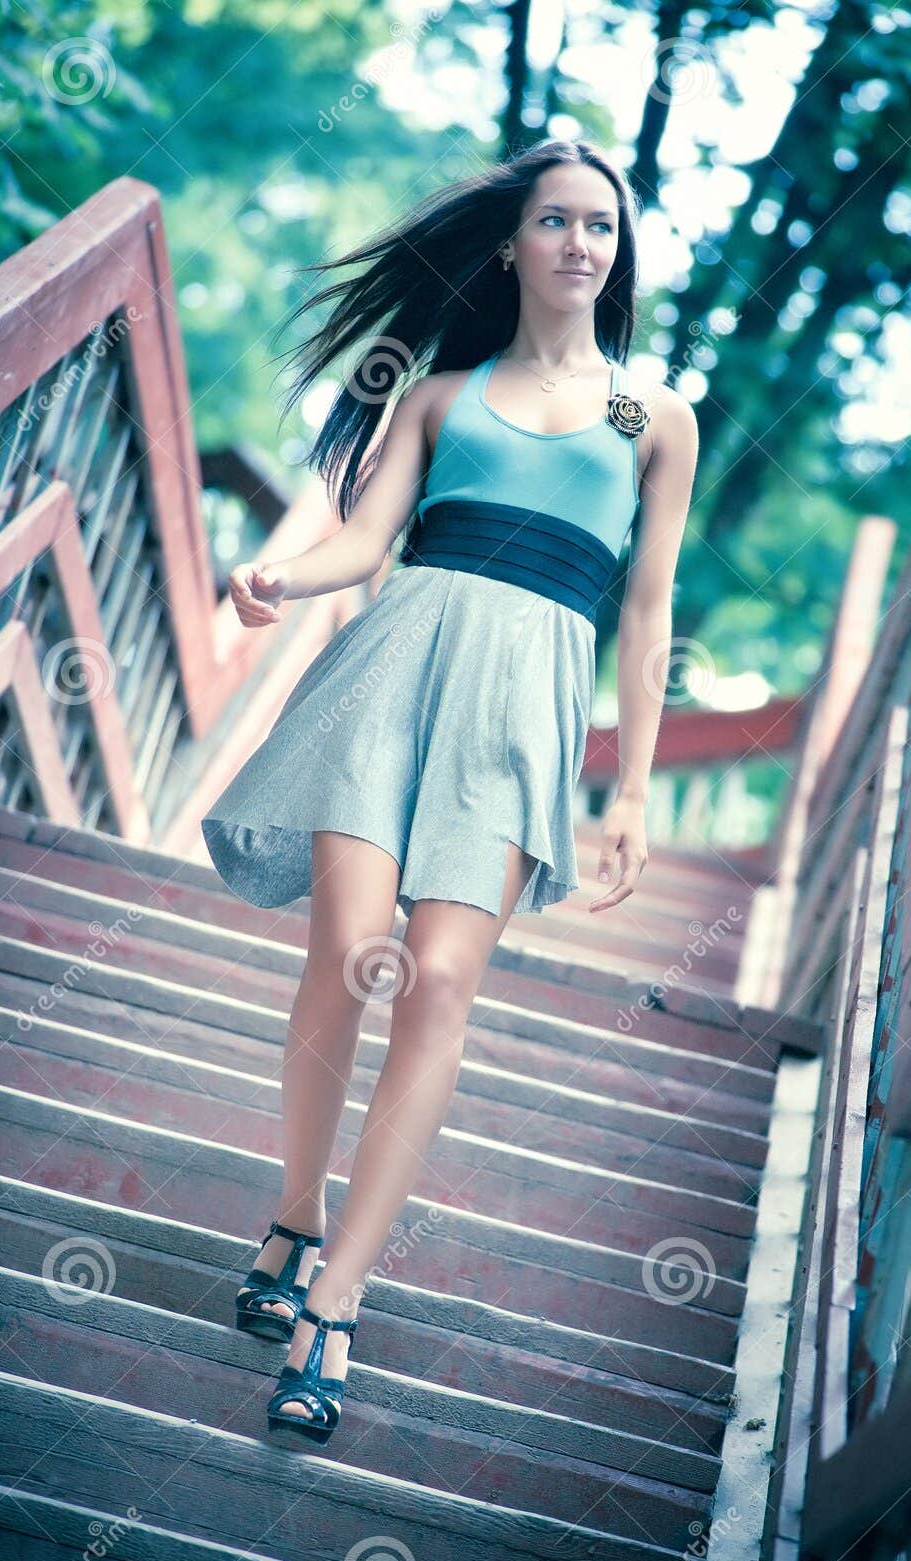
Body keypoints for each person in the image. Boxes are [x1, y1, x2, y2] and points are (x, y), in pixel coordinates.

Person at [200, 138, 698, 1445]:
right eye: (555, 221)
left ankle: (337, 1301)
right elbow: (364, 540)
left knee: (437, 981)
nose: (581, 243)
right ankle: (296, 1208)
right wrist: (278, 580)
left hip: (522, 711)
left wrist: (629, 795)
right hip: (395, 673)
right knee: (354, 951)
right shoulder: (438, 394)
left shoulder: (655, 422)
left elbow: (645, 619)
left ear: (617, 253)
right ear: (510, 246)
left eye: (601, 225)